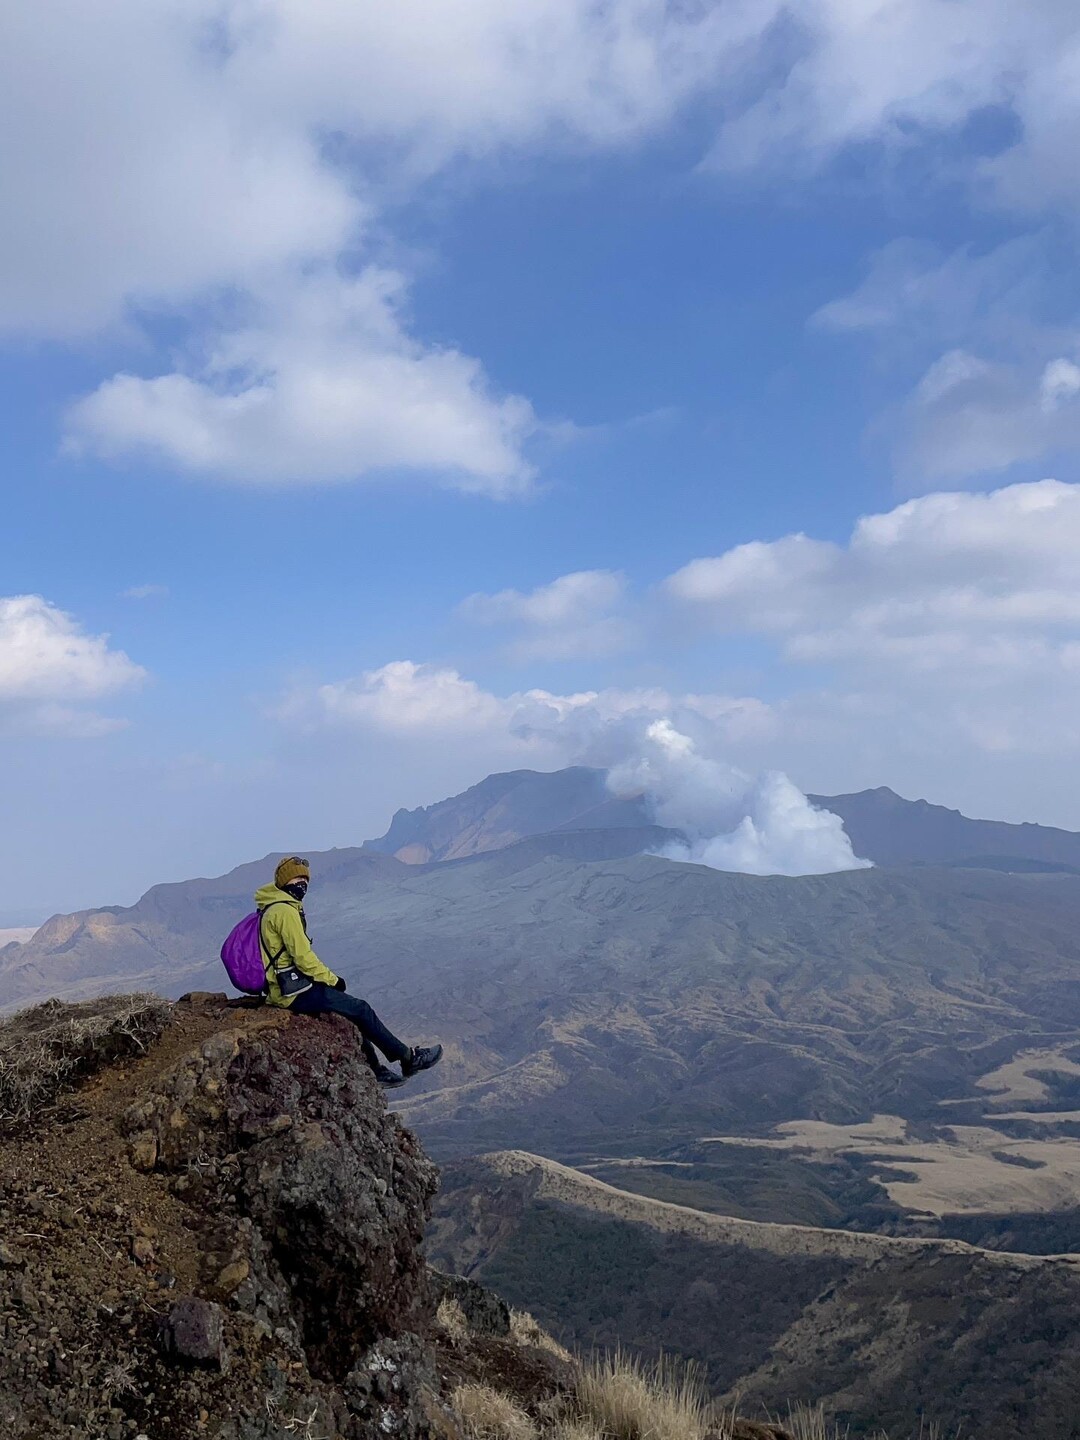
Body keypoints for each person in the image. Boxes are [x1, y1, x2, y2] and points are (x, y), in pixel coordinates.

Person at [255, 856, 442, 1087]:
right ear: (284, 881)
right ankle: (408, 1059)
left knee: (350, 1013)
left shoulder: (274, 906)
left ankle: (376, 1071)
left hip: (289, 986)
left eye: (305, 878)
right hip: (292, 991)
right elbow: (303, 957)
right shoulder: (284, 911)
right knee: (360, 1009)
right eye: (297, 877)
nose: (302, 883)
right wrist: (332, 979)